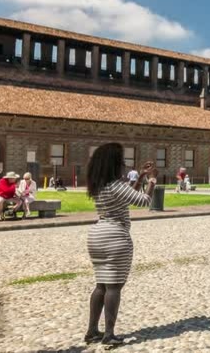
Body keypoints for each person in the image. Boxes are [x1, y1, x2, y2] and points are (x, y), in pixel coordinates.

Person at [85, 143, 152, 347]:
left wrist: (140, 178)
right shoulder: (117, 184)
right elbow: (144, 200)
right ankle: (110, 334)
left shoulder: (101, 185)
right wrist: (153, 180)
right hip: (115, 236)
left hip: (97, 234)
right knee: (114, 286)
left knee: (101, 285)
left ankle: (92, 331)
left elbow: (125, 199)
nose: (124, 164)